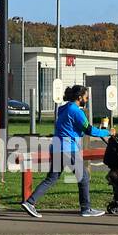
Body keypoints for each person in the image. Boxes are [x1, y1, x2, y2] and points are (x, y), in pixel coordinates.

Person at [21, 84, 110, 218]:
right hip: (69, 149)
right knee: (84, 178)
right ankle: (86, 209)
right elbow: (89, 130)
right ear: (80, 97)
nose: (87, 100)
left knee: (51, 178)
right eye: (86, 97)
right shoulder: (76, 111)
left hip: (57, 146)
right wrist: (108, 132)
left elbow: (72, 127)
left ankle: (30, 202)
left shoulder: (63, 109)